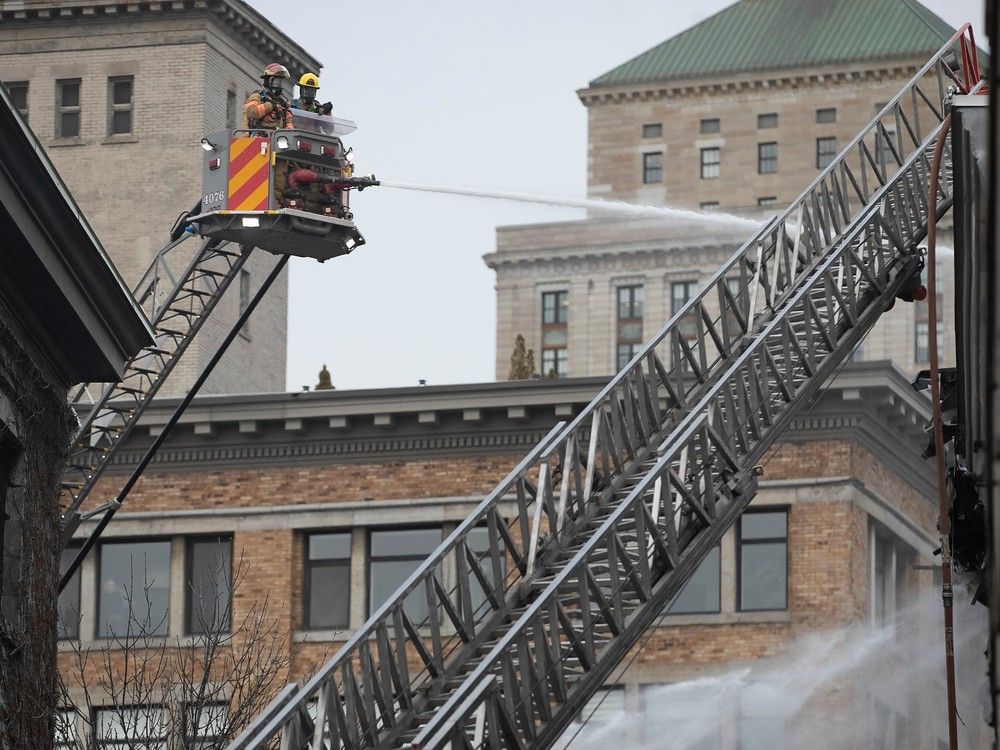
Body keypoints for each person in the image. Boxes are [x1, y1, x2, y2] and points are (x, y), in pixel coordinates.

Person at [243, 63, 294, 131]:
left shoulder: (281, 103)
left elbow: (289, 121)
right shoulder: (258, 96)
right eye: (277, 81)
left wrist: (288, 131)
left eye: (280, 82)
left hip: (278, 138)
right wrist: (270, 106)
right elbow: (250, 112)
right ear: (268, 80)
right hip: (259, 137)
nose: (279, 84)